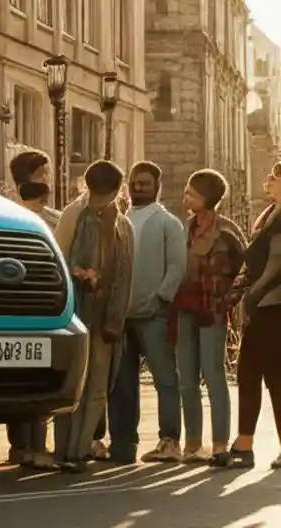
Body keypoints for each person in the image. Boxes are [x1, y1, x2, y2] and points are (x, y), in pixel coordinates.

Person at [53, 160, 134, 472]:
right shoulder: (78, 213)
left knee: (93, 383)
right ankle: (68, 449)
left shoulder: (121, 224)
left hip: (103, 315)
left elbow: (123, 275)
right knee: (81, 383)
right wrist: (79, 272)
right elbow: (60, 257)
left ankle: (78, 448)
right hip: (80, 308)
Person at [106, 162, 187, 465]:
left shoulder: (168, 223)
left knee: (165, 379)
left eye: (145, 183)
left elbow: (177, 266)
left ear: (157, 187)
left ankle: (169, 441)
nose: (138, 187)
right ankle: (123, 444)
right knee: (121, 382)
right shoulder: (120, 220)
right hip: (122, 317)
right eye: (134, 182)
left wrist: (160, 299)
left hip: (153, 314)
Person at [173, 169, 245, 464]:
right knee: (186, 378)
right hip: (184, 309)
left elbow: (245, 269)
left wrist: (228, 298)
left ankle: (219, 445)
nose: (186, 197)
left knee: (214, 376)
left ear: (207, 197)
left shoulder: (227, 232)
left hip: (212, 311)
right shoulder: (185, 229)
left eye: (191, 193)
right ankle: (192, 444)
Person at [219, 162, 281, 470]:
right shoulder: (269, 215)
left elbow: (275, 267)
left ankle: (245, 445)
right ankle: (244, 443)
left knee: (269, 378)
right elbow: (253, 263)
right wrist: (235, 292)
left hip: (274, 309)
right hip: (262, 307)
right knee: (254, 375)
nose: (268, 181)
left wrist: (250, 300)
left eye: (274, 177)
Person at [4, 150, 60, 468]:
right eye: (44, 173)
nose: (49, 178)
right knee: (37, 377)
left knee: (25, 376)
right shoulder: (31, 217)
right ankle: (33, 447)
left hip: (21, 307)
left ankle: (23, 446)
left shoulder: (8, 209)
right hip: (36, 307)